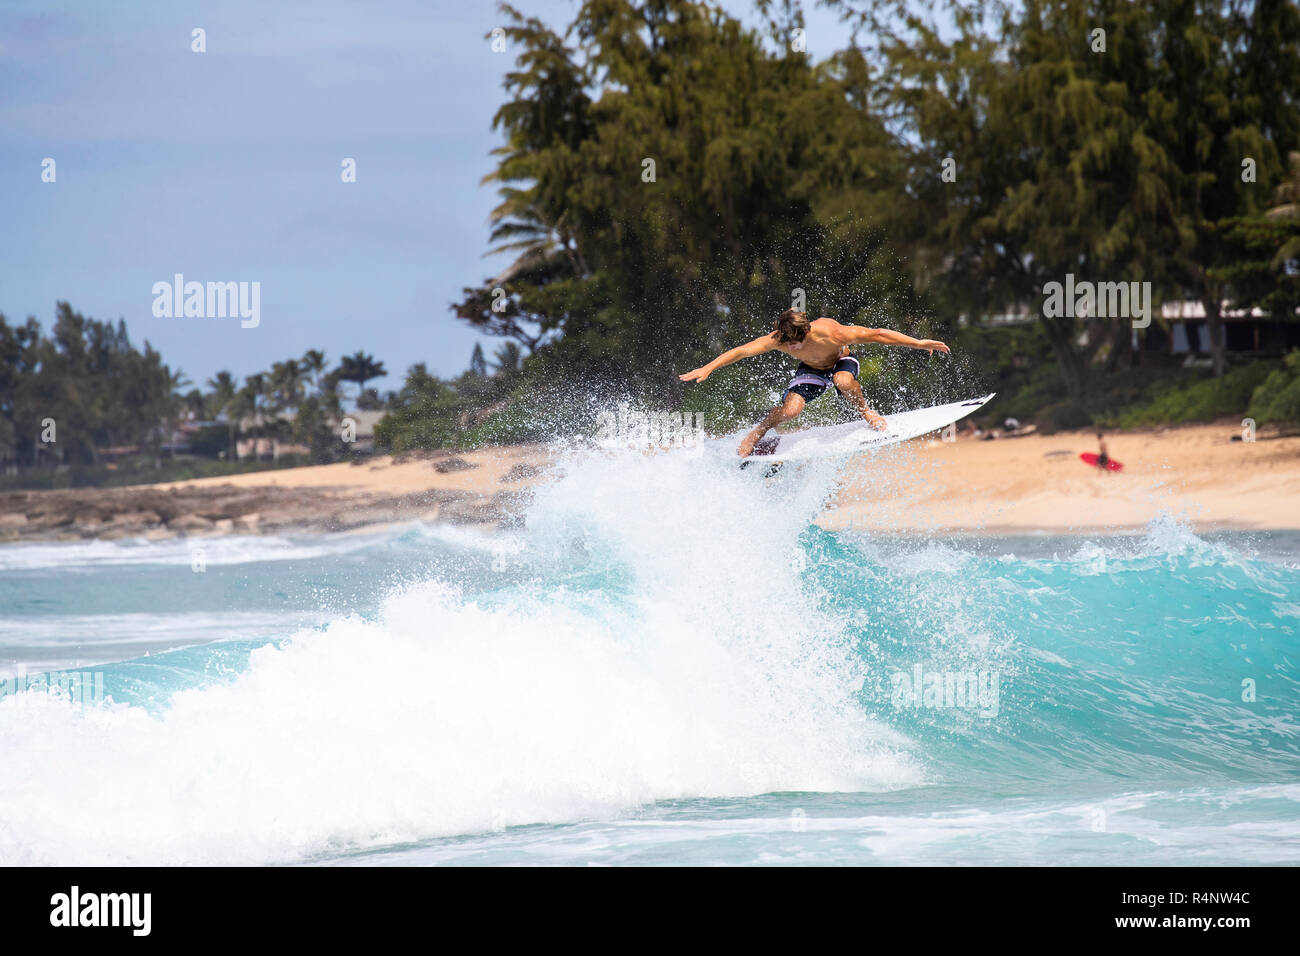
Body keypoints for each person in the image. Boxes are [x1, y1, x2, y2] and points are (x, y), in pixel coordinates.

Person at [679, 309, 951, 456]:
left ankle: (866, 412)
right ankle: (758, 431)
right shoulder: (777, 339)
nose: (794, 347)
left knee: (843, 380)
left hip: (840, 361)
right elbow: (741, 350)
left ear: (807, 331)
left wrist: (917, 342)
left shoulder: (832, 333)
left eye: (799, 342)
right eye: (790, 343)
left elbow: (878, 334)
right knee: (791, 410)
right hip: (811, 370)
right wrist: (709, 367)